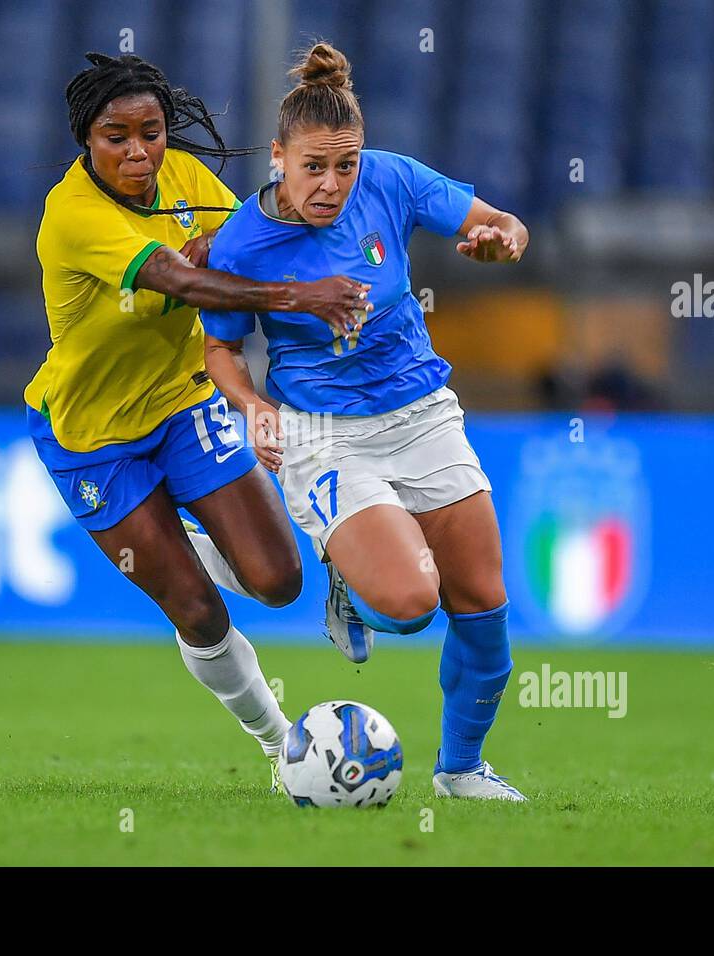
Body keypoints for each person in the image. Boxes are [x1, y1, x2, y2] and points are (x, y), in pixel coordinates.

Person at [24, 53, 371, 789]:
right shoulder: (73, 214)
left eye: (151, 132)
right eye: (116, 136)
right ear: (87, 137)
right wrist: (299, 296)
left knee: (279, 583)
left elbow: (248, 230)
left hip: (183, 404)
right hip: (93, 439)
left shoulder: (184, 176)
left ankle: (181, 538)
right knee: (199, 612)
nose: (139, 151)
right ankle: (282, 747)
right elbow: (179, 278)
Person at [201, 42, 531, 801]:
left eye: (344, 165)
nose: (332, 183)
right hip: (325, 436)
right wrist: (253, 408)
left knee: (482, 608)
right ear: (278, 155)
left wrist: (502, 241)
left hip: (423, 416)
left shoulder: (392, 178)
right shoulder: (241, 245)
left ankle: (461, 771)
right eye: (313, 166)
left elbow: (503, 223)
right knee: (413, 604)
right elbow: (220, 351)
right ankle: (350, 577)